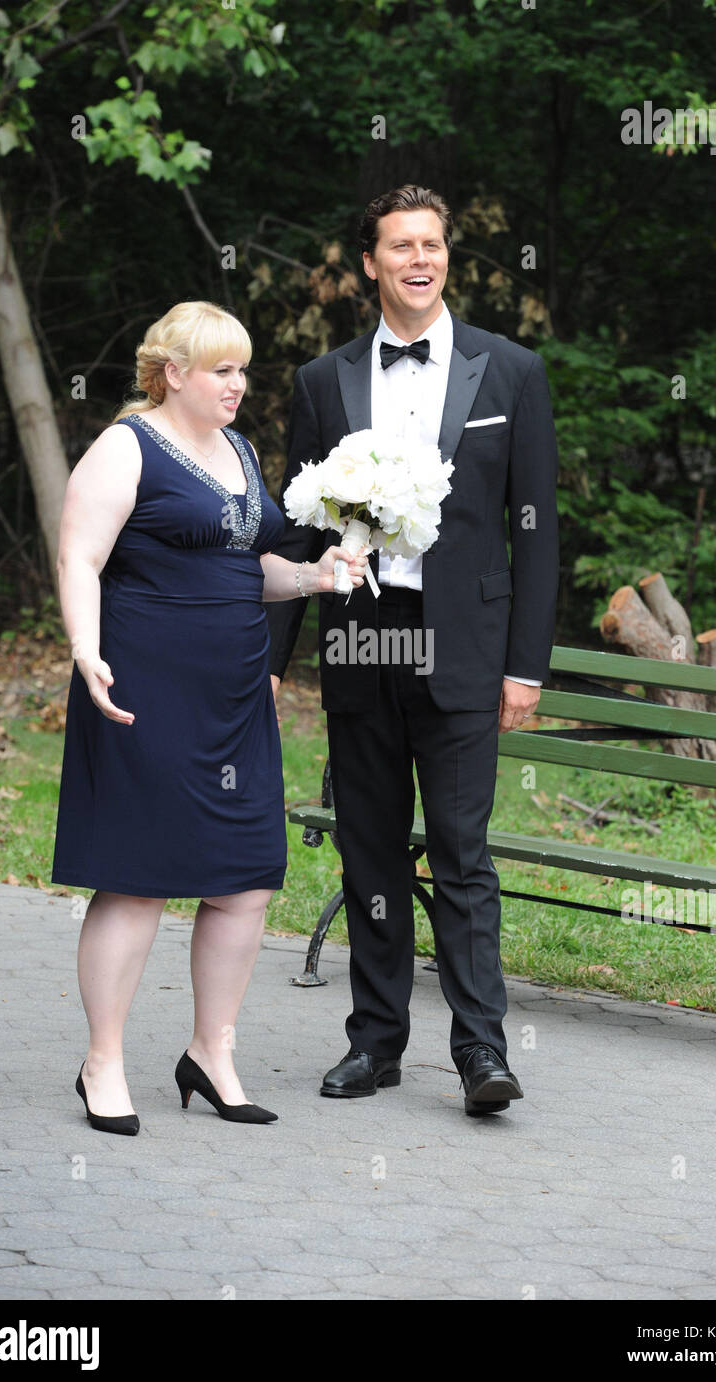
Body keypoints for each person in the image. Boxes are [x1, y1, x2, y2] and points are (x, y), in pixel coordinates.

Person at [264, 186, 559, 1116]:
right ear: (370, 263)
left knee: (463, 856)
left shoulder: (509, 371)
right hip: (361, 642)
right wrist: (274, 660)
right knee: (371, 853)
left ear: (447, 260)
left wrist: (527, 665)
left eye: (432, 245)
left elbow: (538, 530)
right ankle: (374, 1044)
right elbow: (299, 532)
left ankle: (480, 1053)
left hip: (465, 648)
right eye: (401, 246)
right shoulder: (323, 381)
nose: (419, 259)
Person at [51, 300, 368, 1135]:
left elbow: (247, 560)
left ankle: (211, 1054)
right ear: (174, 374)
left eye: (243, 370)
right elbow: (80, 552)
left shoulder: (237, 449)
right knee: (137, 877)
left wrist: (313, 576)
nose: (239, 385)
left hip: (235, 693)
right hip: (144, 686)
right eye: (223, 370)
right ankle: (103, 1062)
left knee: (244, 880)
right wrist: (86, 648)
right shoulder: (128, 445)